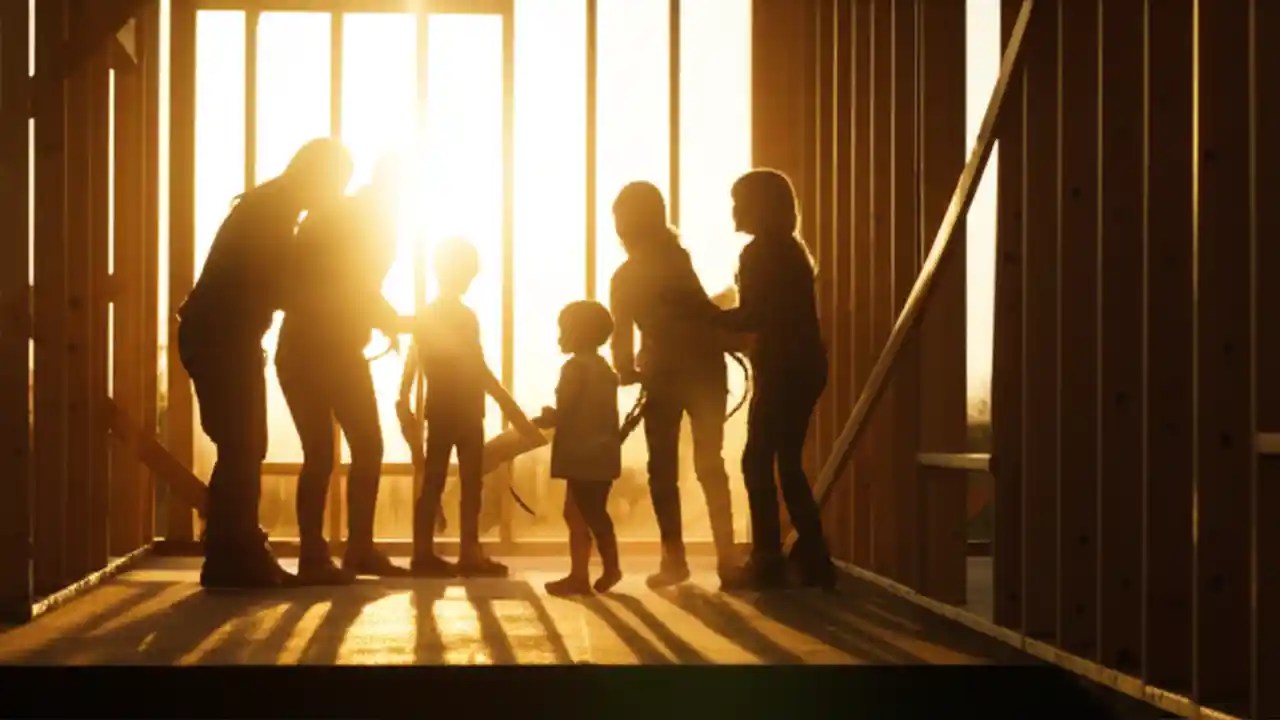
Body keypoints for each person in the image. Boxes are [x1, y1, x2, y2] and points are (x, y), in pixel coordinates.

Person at [177, 138, 354, 589]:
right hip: (222, 337)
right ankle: (235, 555)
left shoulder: (267, 209)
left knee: (242, 445)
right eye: (334, 186)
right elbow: (276, 286)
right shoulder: (271, 216)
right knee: (243, 445)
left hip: (221, 335)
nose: (332, 199)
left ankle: (230, 552)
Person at [275, 154, 410, 585]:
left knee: (320, 453)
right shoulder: (371, 223)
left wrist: (378, 315)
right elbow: (356, 285)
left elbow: (345, 284)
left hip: (303, 347)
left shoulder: (340, 215)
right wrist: (388, 318)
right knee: (363, 446)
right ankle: (354, 549)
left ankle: (321, 553)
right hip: (328, 349)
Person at [707, 169, 836, 591]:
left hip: (782, 368)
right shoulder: (792, 251)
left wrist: (702, 317)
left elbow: (753, 316)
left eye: (738, 201)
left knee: (757, 460)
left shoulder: (759, 253)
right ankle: (813, 555)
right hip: (805, 366)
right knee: (786, 462)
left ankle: (767, 559)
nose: (733, 210)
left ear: (758, 206)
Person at [609, 181, 738, 588]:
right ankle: (728, 558)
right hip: (705, 370)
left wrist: (626, 371)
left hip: (662, 374)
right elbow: (700, 314)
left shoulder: (626, 275)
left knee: (662, 469)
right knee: (710, 463)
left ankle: (674, 560)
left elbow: (621, 337)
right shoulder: (678, 260)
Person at [410, 237, 520, 578]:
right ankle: (468, 553)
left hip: (441, 406)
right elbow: (477, 366)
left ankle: (423, 553)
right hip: (466, 408)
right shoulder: (462, 315)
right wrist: (507, 404)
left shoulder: (427, 315)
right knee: (471, 483)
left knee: (433, 482)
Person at [531, 301, 623, 597]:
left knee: (588, 513)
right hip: (603, 452)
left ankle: (606, 568)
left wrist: (546, 418)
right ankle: (581, 574)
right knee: (580, 512)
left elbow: (567, 410)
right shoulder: (603, 369)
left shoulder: (574, 369)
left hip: (583, 455)